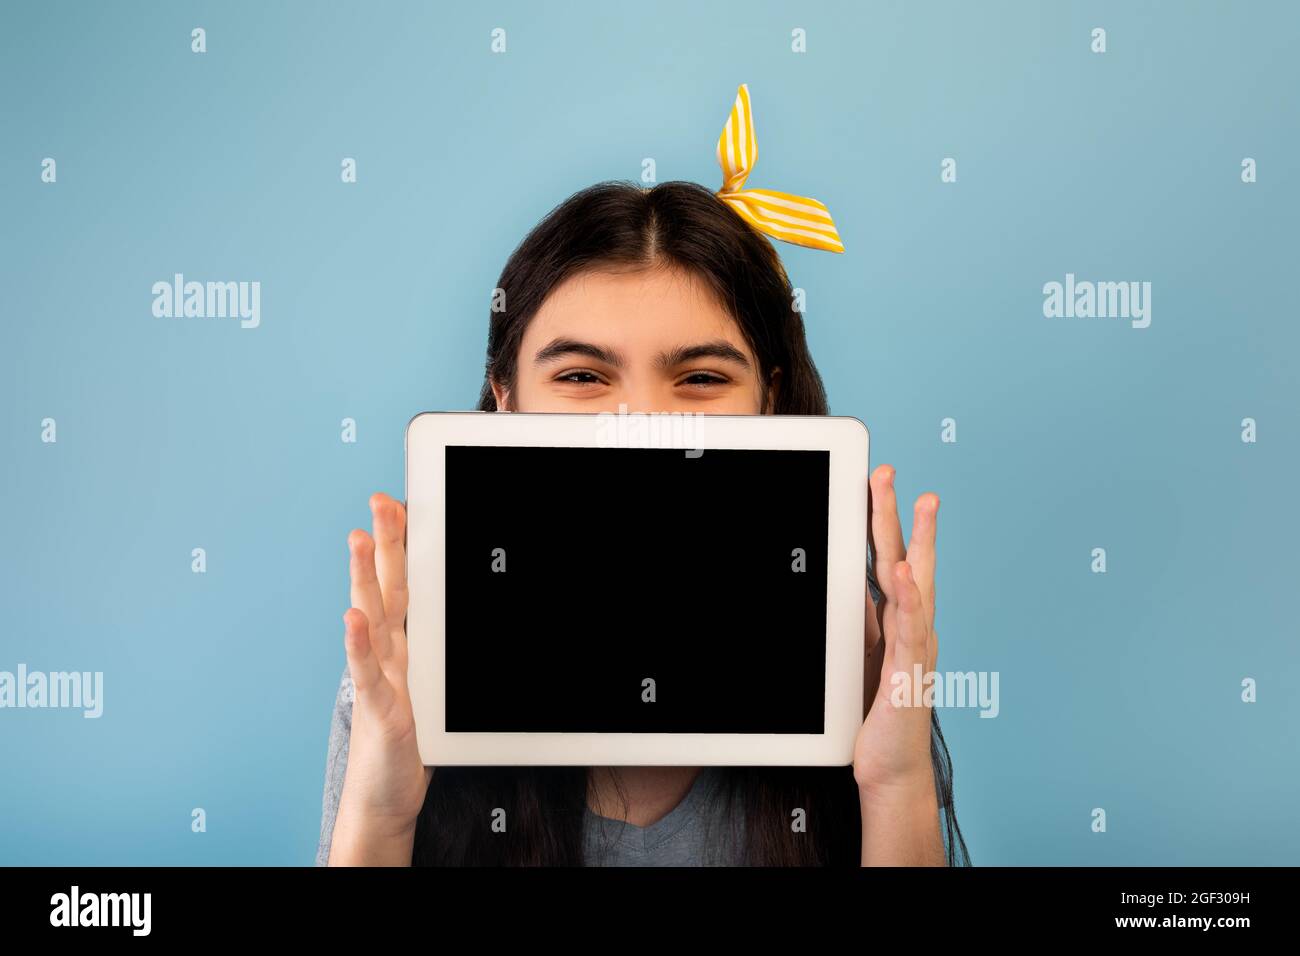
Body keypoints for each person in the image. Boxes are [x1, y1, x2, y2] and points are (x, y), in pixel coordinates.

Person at [318, 84, 969, 867]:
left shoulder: (856, 650)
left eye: (699, 378)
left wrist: (895, 785)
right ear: (504, 399)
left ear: (770, 400)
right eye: (584, 377)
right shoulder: (412, 662)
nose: (640, 429)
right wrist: (382, 818)